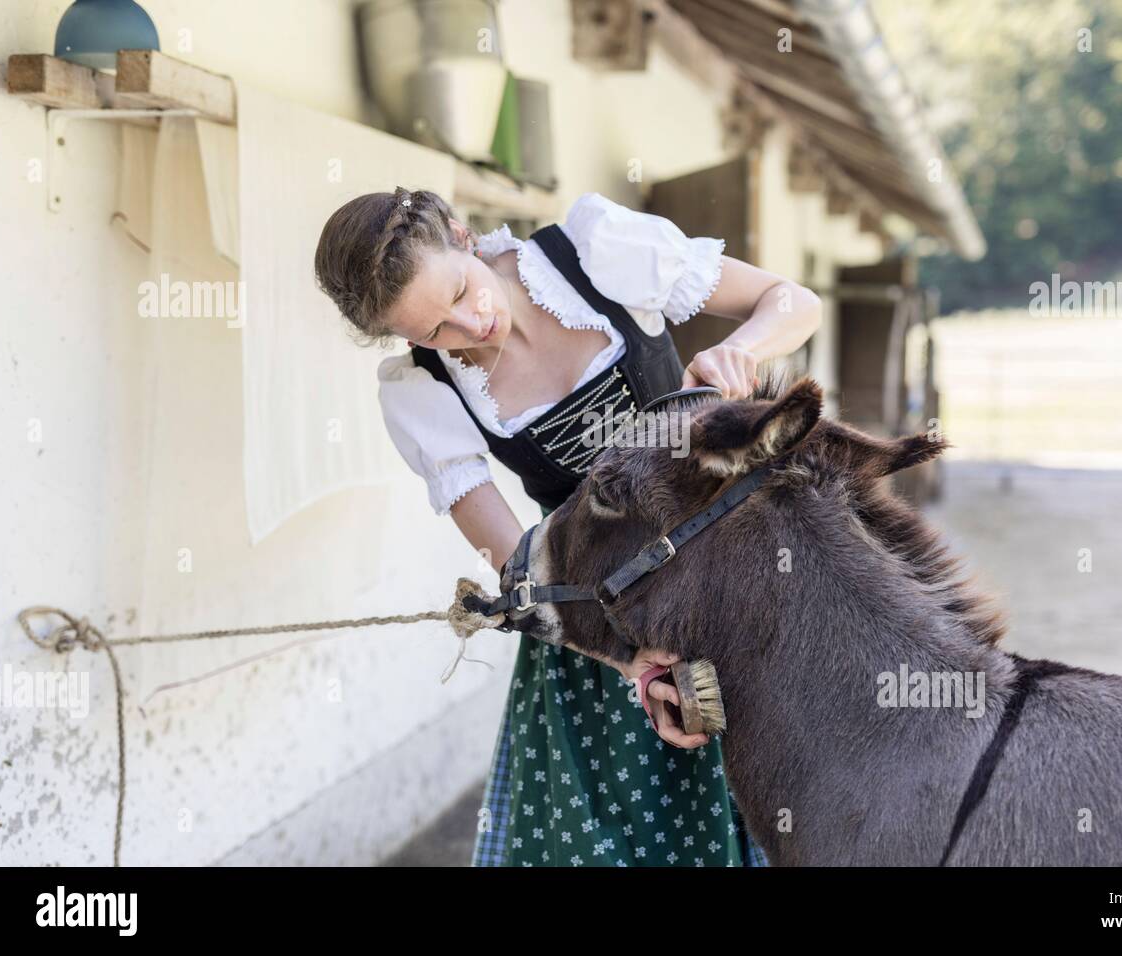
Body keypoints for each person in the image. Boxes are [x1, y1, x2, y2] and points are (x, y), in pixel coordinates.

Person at [314, 187, 822, 866]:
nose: (471, 327)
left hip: (742, 577)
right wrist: (637, 667)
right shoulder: (422, 393)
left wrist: (741, 351)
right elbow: (519, 566)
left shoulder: (594, 251)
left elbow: (795, 302)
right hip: (607, 627)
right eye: (435, 331)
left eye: (464, 293)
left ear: (464, 238)